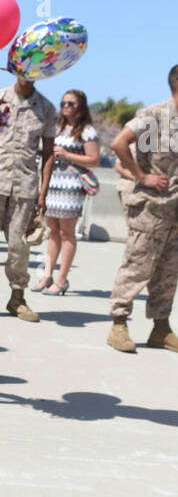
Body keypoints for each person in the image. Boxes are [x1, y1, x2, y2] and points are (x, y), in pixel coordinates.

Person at [0, 70, 57, 321]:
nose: (27, 75)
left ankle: (17, 297)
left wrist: (43, 192)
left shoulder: (47, 109)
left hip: (25, 187)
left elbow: (48, 154)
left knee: (20, 246)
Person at [106, 65, 178, 352]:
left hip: (175, 211)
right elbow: (119, 143)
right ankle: (119, 324)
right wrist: (141, 176)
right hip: (151, 208)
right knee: (137, 266)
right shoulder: (155, 116)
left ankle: (161, 328)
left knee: (168, 273)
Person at [33, 88, 99, 294]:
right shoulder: (57, 127)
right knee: (52, 231)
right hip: (53, 183)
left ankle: (62, 279)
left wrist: (67, 154)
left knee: (66, 233)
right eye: (63, 103)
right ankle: (47, 275)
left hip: (72, 187)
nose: (66, 107)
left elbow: (93, 160)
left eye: (71, 103)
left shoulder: (87, 130)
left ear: (80, 106)